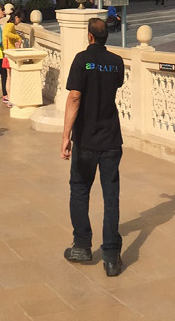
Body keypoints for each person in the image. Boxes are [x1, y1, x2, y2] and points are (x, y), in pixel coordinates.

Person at [61, 17, 126, 276]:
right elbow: (116, 85)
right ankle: (111, 257)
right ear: (105, 37)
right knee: (111, 197)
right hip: (111, 138)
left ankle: (82, 245)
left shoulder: (81, 60)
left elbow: (75, 96)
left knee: (79, 190)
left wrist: (66, 135)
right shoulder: (116, 62)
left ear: (89, 36)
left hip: (86, 139)